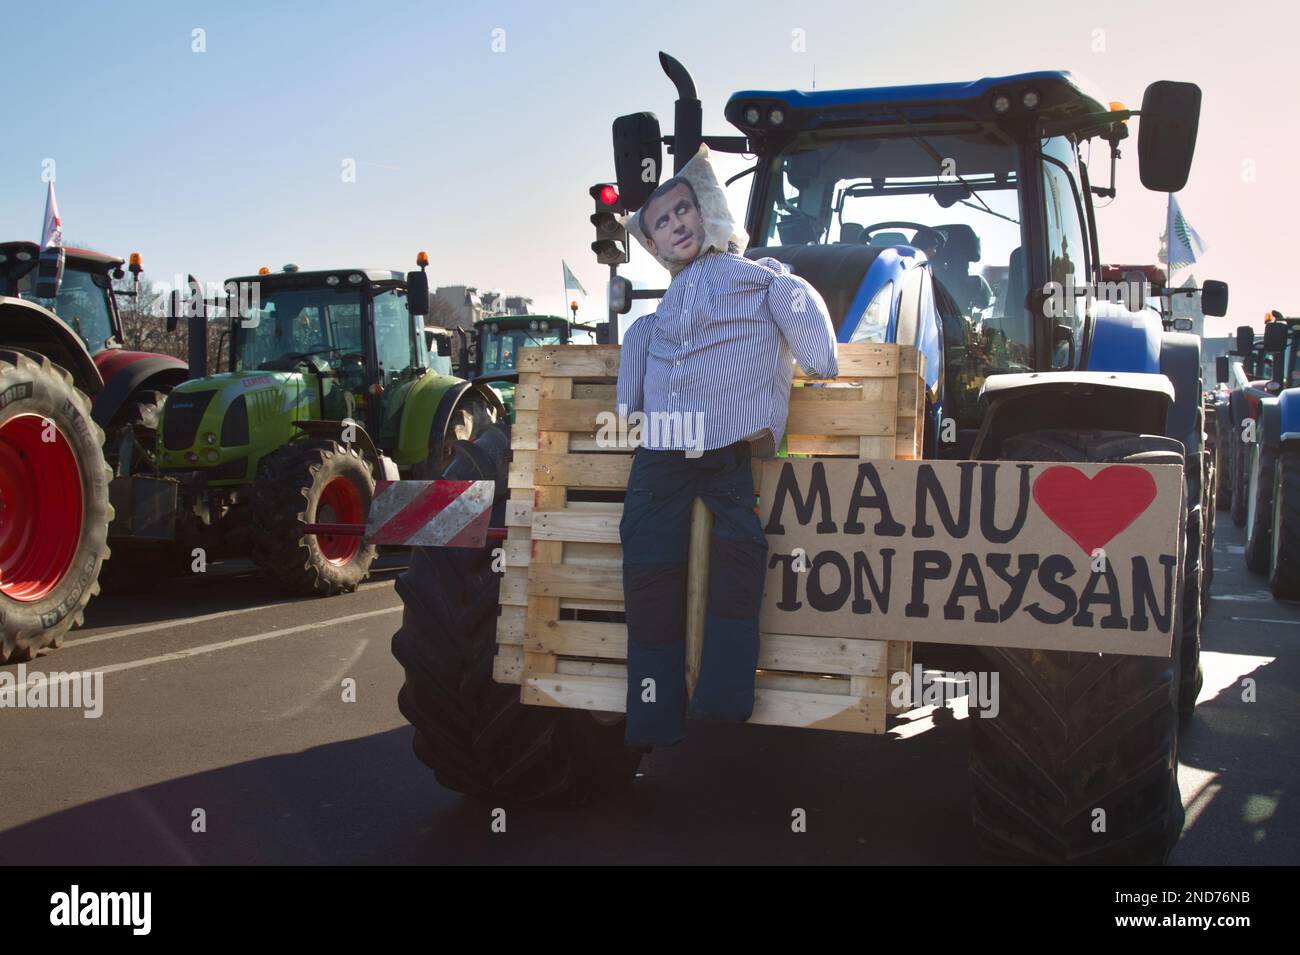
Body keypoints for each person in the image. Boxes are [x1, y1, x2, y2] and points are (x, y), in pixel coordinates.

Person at [616, 175, 839, 747]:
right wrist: (635, 376)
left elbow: (810, 336)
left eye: (684, 209)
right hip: (664, 451)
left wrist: (813, 342)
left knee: (740, 557)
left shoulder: (761, 279)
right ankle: (653, 710)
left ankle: (723, 698)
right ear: (654, 247)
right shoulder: (657, 313)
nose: (677, 224)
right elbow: (631, 400)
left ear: (707, 211)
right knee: (647, 560)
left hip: (727, 448)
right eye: (662, 222)